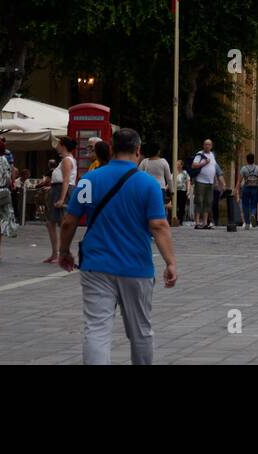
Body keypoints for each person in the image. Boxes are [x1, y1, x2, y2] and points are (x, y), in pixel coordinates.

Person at [59, 127, 177, 365]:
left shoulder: (90, 179)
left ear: (111, 149)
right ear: (138, 151)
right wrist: (170, 262)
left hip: (96, 265)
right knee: (141, 331)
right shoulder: (148, 184)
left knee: (96, 329)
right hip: (136, 266)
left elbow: (69, 221)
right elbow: (158, 225)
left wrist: (64, 251)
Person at [45, 137, 78, 263]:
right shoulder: (65, 160)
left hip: (62, 191)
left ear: (63, 146)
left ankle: (60, 252)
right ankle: (57, 252)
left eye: (58, 143)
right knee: (53, 223)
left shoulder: (66, 160)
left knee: (59, 223)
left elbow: (66, 180)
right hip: (58, 190)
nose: (56, 145)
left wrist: (61, 199)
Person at [191, 140, 218, 229]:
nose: (207, 146)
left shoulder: (212, 155)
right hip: (201, 181)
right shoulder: (200, 154)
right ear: (203, 145)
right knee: (199, 201)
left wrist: (216, 180)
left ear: (211, 146)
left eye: (209, 144)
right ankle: (197, 222)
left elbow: (214, 167)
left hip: (210, 182)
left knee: (208, 202)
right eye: (206, 144)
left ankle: (205, 222)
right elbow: (194, 165)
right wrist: (204, 163)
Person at [239, 153, 258, 228]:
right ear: (253, 159)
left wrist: (236, 189)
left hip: (246, 187)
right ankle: (252, 214)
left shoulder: (244, 168)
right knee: (254, 204)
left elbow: (239, 180)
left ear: (247, 160)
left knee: (245, 205)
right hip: (255, 188)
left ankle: (247, 223)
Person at [173, 160, 191, 227]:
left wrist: (188, 190)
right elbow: (171, 181)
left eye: (178, 164)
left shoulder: (185, 173)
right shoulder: (174, 173)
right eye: (176, 164)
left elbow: (188, 181)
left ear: (181, 165)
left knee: (182, 206)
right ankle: (175, 219)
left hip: (183, 191)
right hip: (175, 191)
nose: (177, 165)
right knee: (175, 206)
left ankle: (180, 220)